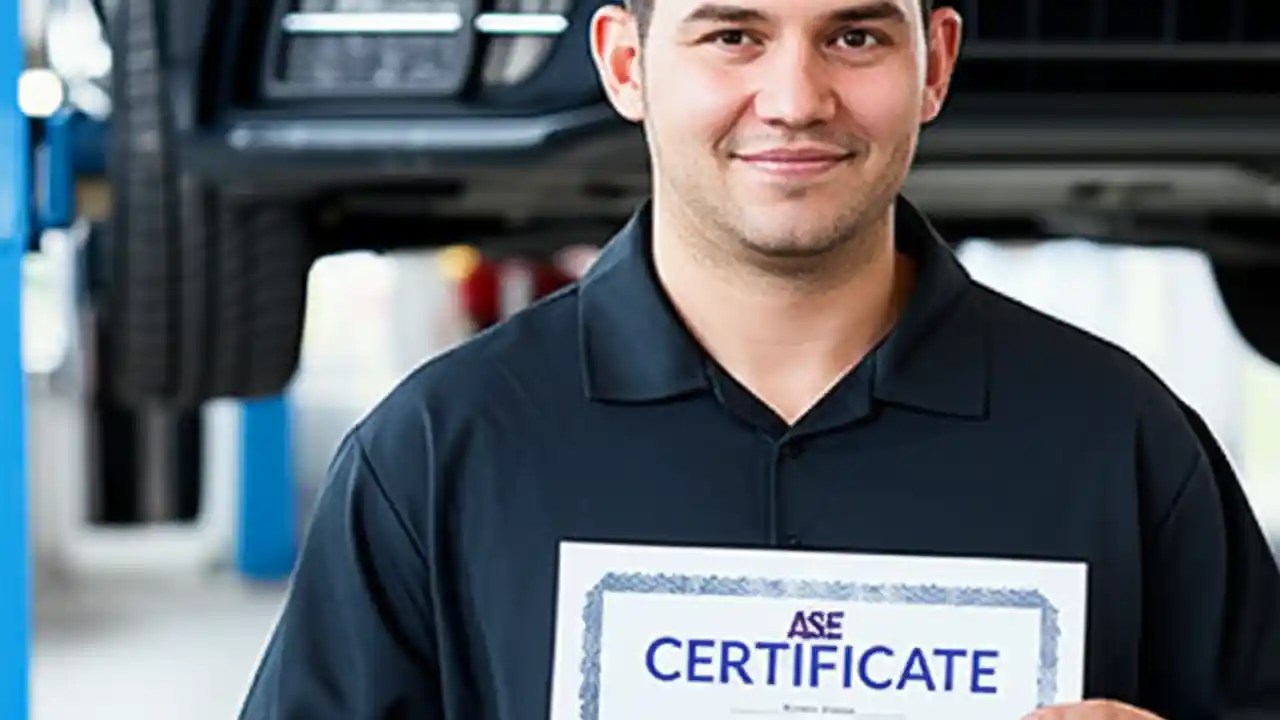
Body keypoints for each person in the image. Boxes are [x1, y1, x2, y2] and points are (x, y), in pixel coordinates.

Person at [238, 0, 1280, 718]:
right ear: (625, 63)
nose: (794, 98)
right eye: (733, 34)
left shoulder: (1117, 441)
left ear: (937, 63)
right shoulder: (441, 451)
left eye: (856, 36)